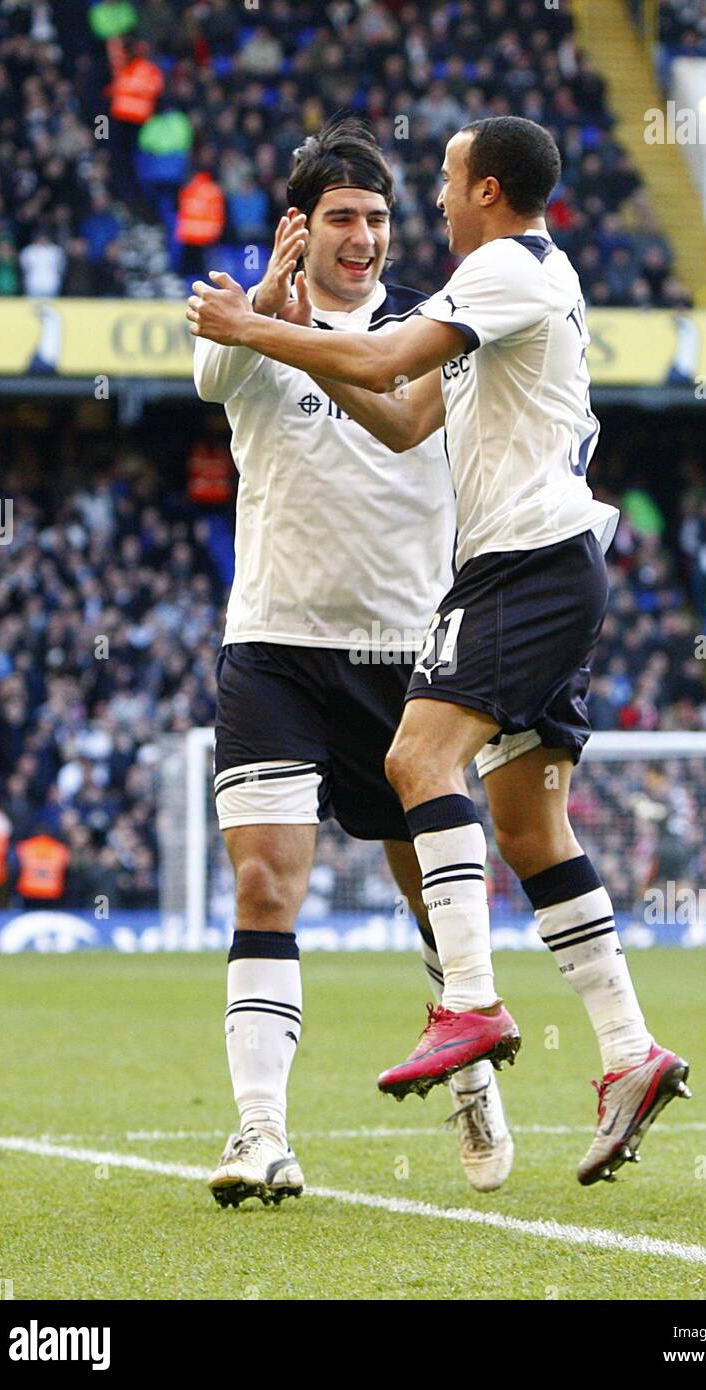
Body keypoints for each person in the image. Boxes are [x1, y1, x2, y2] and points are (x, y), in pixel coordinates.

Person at [188, 115, 691, 1187]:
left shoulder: (493, 277)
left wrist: (259, 330)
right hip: (296, 640)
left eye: (430, 189)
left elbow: (376, 358)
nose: (411, 213)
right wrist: (261, 319)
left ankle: (468, 1012)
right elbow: (404, 416)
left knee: (421, 772)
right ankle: (624, 1049)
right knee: (523, 823)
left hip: (494, 584)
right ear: (302, 227)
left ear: (489, 190)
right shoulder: (476, 296)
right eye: (349, 216)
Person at [192, 117, 514, 1209]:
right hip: (275, 651)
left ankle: (469, 1063)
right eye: (341, 218)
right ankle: (260, 1132)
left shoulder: (427, 336)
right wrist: (263, 293)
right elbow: (209, 371)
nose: (364, 236)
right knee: (264, 882)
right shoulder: (241, 330)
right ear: (301, 226)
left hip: (402, 662)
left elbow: (425, 426)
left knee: (431, 903)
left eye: (377, 217)